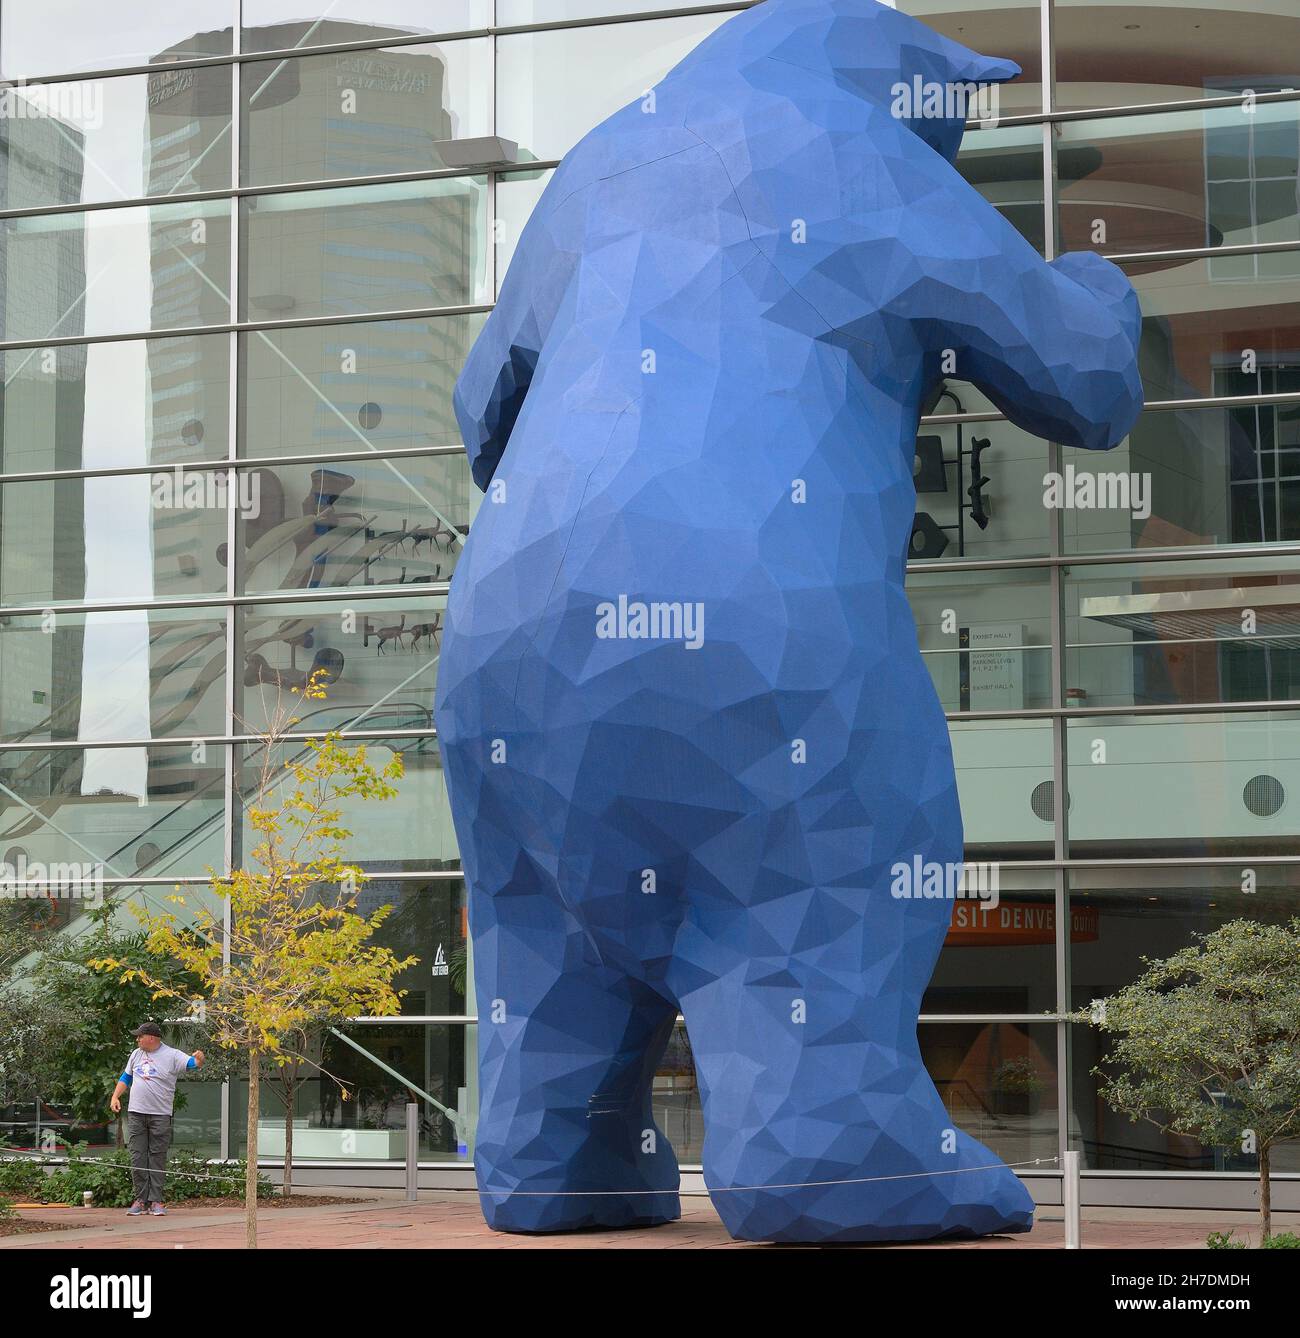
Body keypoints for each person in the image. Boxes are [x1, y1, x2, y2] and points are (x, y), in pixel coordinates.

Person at [110, 1023, 204, 1216]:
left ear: (151, 1037)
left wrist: (199, 1059)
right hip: (136, 1113)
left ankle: (156, 1201)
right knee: (137, 1156)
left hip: (160, 1115)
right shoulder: (136, 1054)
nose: (137, 1039)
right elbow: (126, 1077)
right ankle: (140, 1201)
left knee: (157, 1156)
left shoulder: (172, 1055)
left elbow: (193, 1064)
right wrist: (115, 1096)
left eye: (140, 1036)